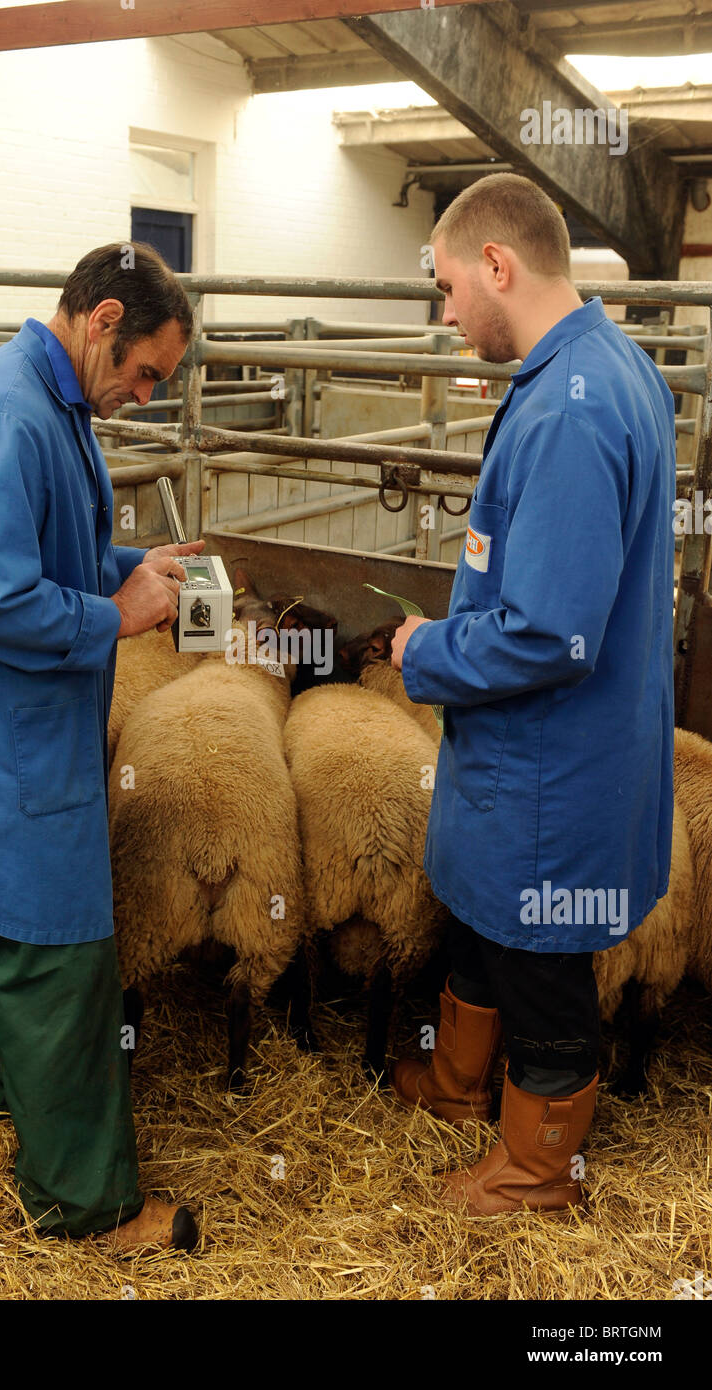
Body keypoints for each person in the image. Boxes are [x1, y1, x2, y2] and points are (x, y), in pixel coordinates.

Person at [0, 242, 204, 1252]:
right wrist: (117, 613)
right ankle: (87, 1204)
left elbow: (34, 551)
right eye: (145, 372)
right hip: (6, 748)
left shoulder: (36, 401)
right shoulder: (15, 416)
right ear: (102, 319)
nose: (143, 398)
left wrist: (126, 562)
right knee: (57, 957)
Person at [389, 174, 675, 1215]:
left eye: (450, 287)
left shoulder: (566, 410)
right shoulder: (607, 369)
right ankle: (460, 1086)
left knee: (543, 961)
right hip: (550, 756)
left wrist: (424, 651)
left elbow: (550, 633)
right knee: (486, 925)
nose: (447, 312)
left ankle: (536, 1170)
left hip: (553, 763)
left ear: (499, 266)